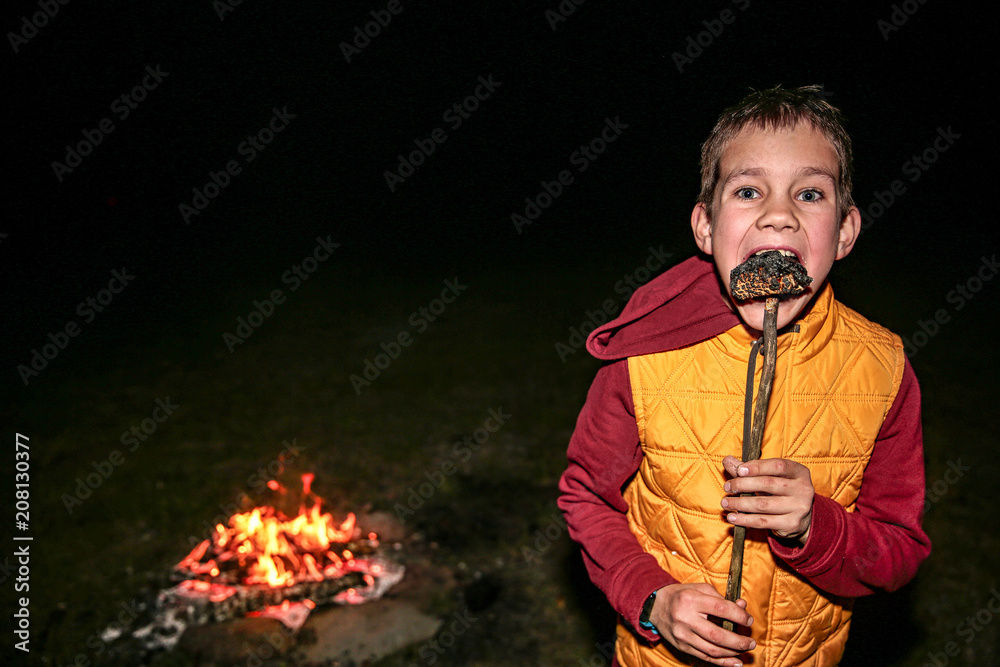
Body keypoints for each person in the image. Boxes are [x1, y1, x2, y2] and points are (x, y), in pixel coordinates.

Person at [557, 85, 931, 667]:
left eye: (809, 193)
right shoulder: (643, 355)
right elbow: (585, 496)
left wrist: (816, 526)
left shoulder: (883, 370)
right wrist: (653, 599)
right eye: (748, 191)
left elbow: (898, 553)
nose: (777, 214)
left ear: (846, 231)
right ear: (706, 227)